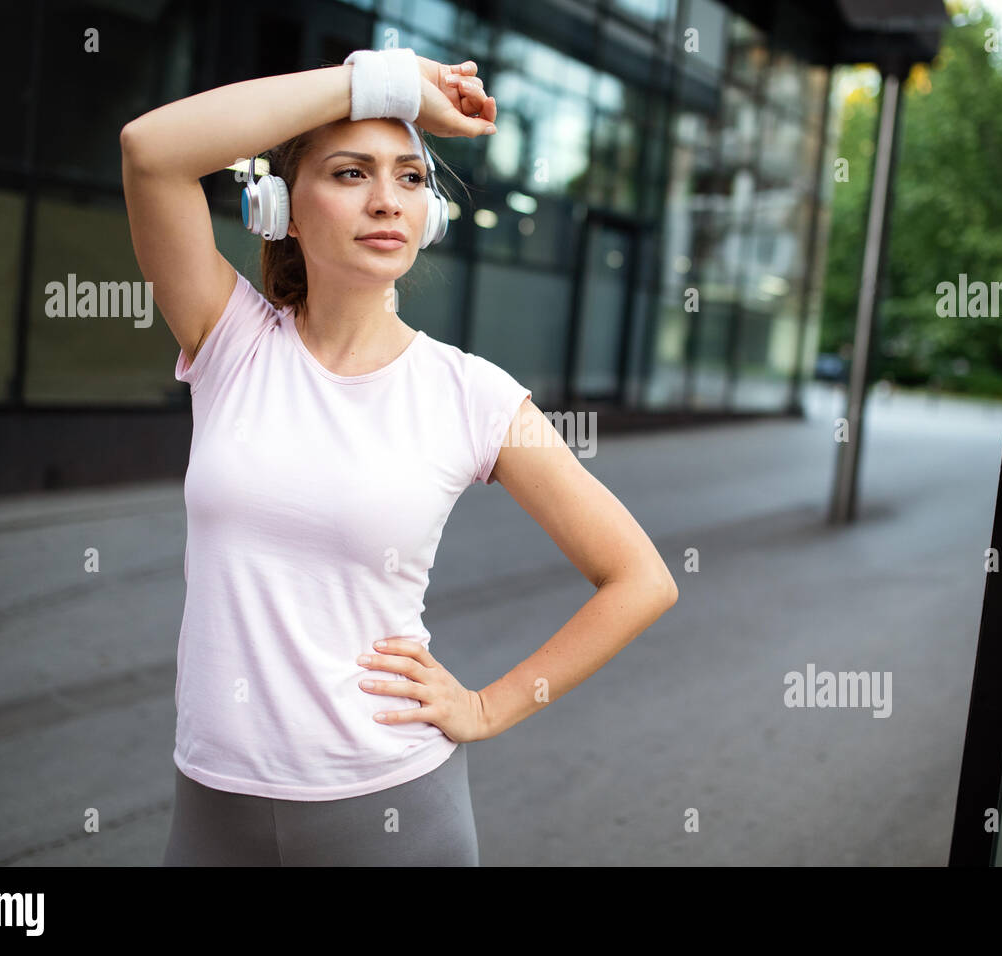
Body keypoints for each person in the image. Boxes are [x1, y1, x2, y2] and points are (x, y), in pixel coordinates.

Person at [121, 48, 679, 866]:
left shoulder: (473, 395)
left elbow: (642, 579)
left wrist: (487, 708)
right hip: (212, 806)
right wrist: (390, 77)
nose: (387, 200)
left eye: (412, 179)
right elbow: (150, 149)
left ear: (432, 215)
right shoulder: (230, 340)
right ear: (279, 207)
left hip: (391, 811)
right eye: (351, 174)